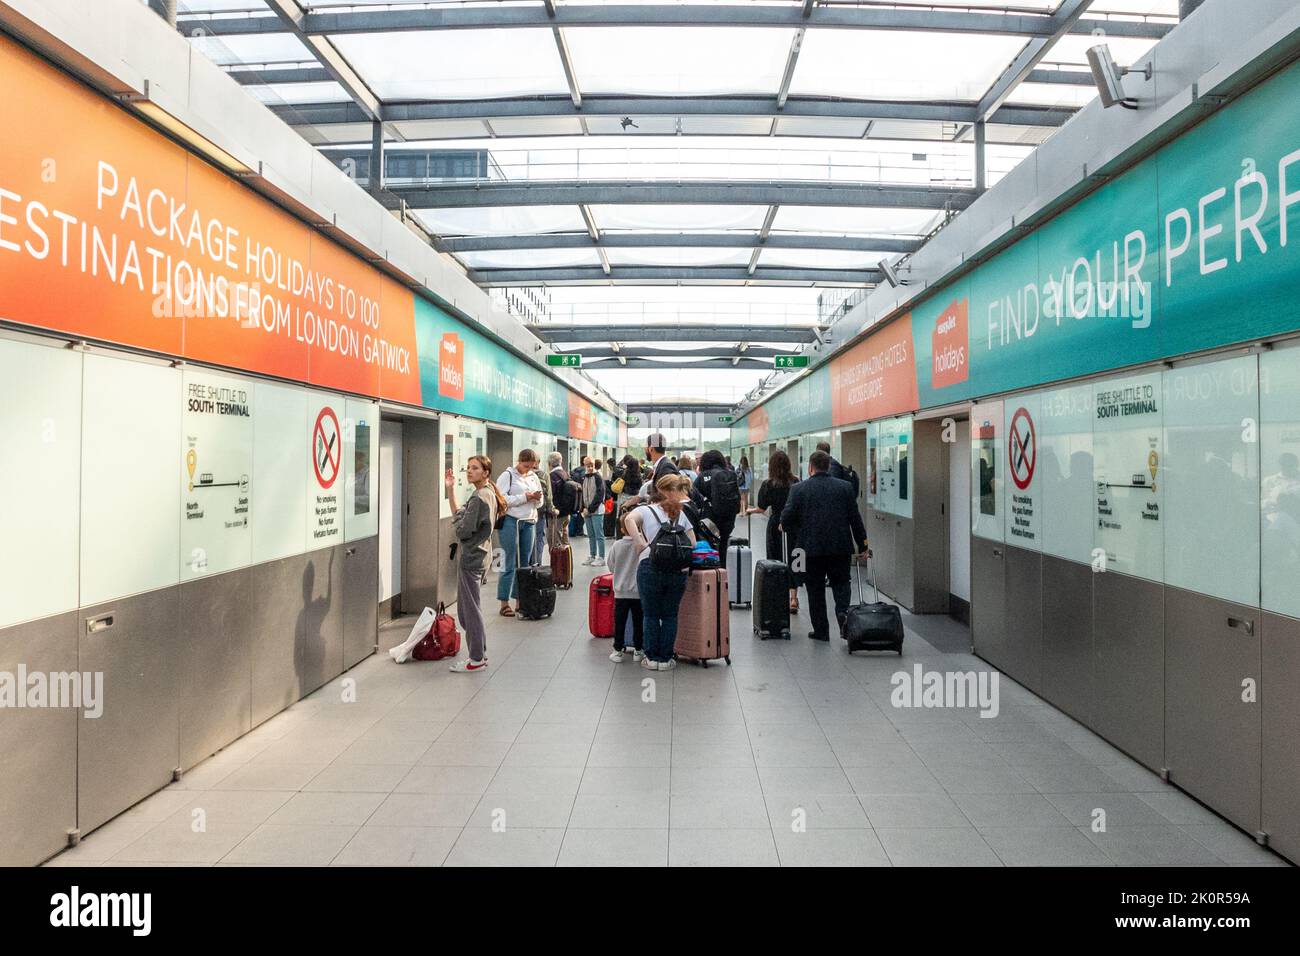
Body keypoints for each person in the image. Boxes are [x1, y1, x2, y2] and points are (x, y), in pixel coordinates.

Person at [780, 450, 869, 642]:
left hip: (810, 550)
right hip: (840, 547)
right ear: (828, 466)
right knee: (841, 583)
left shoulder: (798, 489)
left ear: (810, 467)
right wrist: (863, 545)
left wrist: (791, 526)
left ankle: (821, 631)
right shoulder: (845, 488)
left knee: (815, 590)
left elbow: (786, 520)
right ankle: (843, 613)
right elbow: (856, 520)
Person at [625, 474, 696, 670]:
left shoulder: (647, 511)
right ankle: (665, 659)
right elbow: (693, 543)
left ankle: (651, 658)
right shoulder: (682, 514)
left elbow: (629, 519)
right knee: (670, 614)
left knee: (650, 614)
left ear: (659, 490)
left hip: (650, 565)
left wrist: (640, 542)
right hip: (677, 571)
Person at [445, 455, 505, 672]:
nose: (469, 471)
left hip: (472, 558)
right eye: (468, 468)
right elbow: (462, 517)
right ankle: (480, 654)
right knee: (468, 609)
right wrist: (451, 492)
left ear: (486, 473)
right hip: (480, 556)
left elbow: (462, 529)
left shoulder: (480, 498)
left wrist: (460, 519)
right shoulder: (487, 494)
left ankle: (477, 658)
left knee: (469, 610)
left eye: (475, 468)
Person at [747, 448, 801, 613]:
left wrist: (750, 511)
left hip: (775, 523)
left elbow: (762, 508)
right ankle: (793, 598)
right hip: (794, 525)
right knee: (795, 560)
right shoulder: (797, 482)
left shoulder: (768, 484)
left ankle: (779, 595)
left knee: (775, 558)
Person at [495, 449, 544, 617]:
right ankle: (503, 602)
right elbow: (502, 500)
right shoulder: (507, 476)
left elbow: (540, 501)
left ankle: (520, 600)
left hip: (529, 521)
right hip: (510, 521)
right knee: (509, 561)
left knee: (524, 564)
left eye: (531, 467)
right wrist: (525, 497)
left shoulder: (533, 477)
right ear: (519, 461)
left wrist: (536, 499)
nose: (528, 469)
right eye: (525, 465)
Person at [605, 519, 645, 663]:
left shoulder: (617, 545)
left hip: (620, 592)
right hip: (638, 592)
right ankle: (639, 650)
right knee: (638, 621)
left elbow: (611, 565)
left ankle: (617, 649)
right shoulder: (642, 546)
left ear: (622, 529)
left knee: (620, 621)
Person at [693, 448, 741, 547]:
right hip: (729, 520)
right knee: (724, 545)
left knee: (711, 548)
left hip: (709, 523)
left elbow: (694, 497)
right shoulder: (730, 474)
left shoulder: (703, 476)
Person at [530, 448, 557, 567]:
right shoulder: (544, 475)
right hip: (540, 513)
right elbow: (549, 495)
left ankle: (525, 566)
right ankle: (536, 564)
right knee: (538, 539)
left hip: (525, 513)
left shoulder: (521, 475)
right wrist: (551, 509)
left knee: (527, 540)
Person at [579, 455, 607, 566]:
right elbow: (583, 494)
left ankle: (601, 557)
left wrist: (589, 509)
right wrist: (583, 508)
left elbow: (600, 495)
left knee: (599, 534)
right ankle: (592, 555)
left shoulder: (598, 477)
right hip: (587, 510)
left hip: (596, 510)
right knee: (591, 534)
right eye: (587, 465)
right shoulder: (584, 477)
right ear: (584, 465)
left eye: (591, 465)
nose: (590, 467)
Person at [546, 452, 571, 551]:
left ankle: (557, 565)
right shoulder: (566, 474)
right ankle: (566, 564)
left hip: (556, 515)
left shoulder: (552, 476)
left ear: (549, 463)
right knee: (565, 541)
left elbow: (550, 495)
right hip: (566, 514)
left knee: (554, 542)